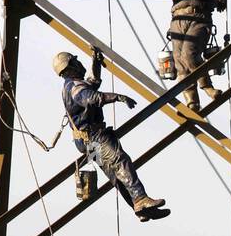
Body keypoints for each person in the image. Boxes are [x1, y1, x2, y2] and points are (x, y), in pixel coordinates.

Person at [53, 48, 167, 220]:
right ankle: (141, 200)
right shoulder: (74, 87)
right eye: (75, 62)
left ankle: (140, 209)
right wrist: (118, 97)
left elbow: (93, 83)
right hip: (94, 137)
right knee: (120, 161)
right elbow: (91, 98)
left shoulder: (72, 85)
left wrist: (96, 63)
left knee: (114, 174)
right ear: (69, 68)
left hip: (85, 142)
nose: (79, 63)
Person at [167, 0, 227, 111]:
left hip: (199, 17)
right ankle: (192, 100)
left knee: (189, 54)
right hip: (178, 19)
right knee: (179, 61)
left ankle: (207, 87)